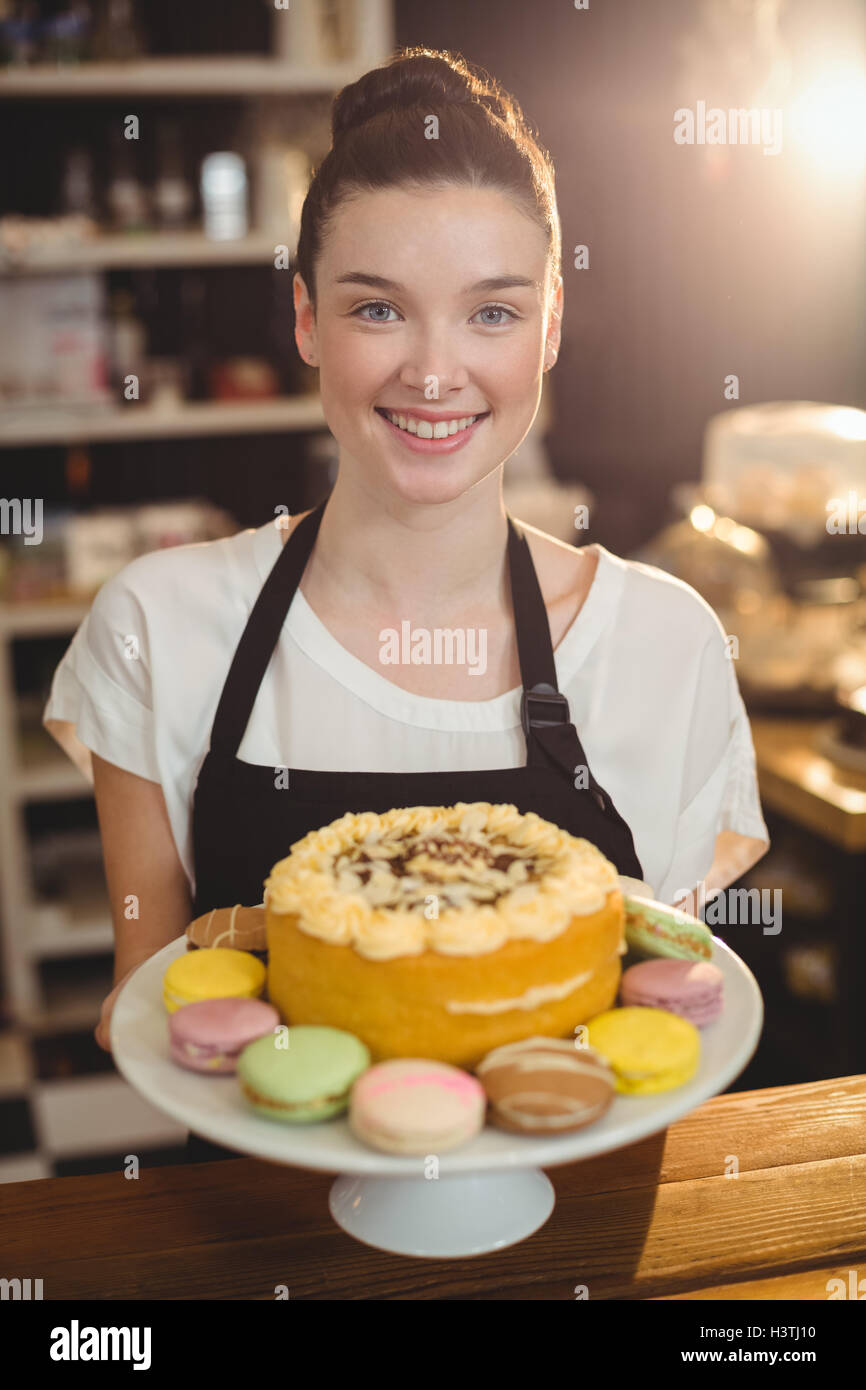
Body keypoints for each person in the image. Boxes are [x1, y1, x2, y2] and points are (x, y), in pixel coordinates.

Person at [43, 46, 769, 1162]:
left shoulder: (666, 645)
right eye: (378, 308)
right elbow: (154, 999)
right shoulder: (160, 626)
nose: (434, 373)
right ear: (304, 322)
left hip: (584, 1250)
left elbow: (657, 1000)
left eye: (491, 313)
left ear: (552, 326)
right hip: (259, 1255)